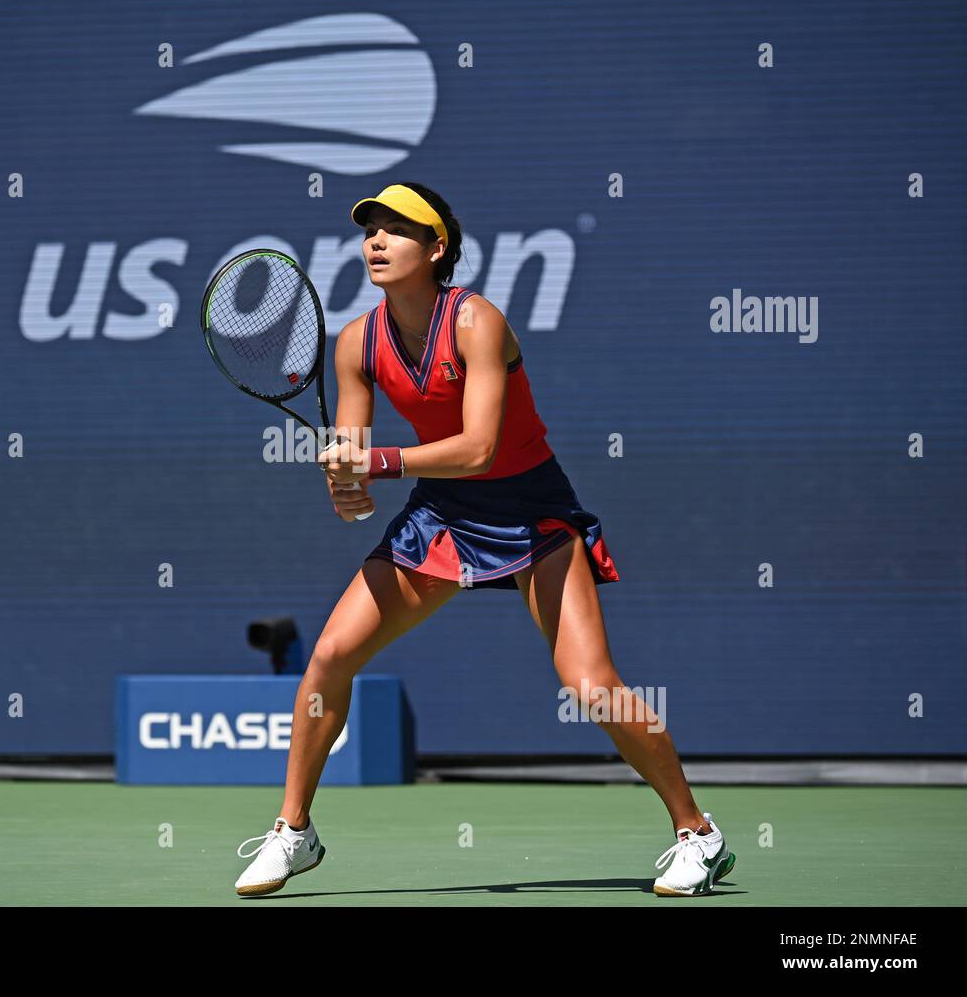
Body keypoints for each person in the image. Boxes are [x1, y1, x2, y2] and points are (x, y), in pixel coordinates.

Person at [233, 183, 734, 898]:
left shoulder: (476, 323)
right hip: (442, 514)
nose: (376, 240)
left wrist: (377, 462)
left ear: (437, 249)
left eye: (397, 230)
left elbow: (477, 447)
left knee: (591, 685)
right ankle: (294, 831)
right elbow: (353, 450)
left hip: (532, 512)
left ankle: (697, 832)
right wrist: (347, 485)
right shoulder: (356, 342)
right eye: (370, 229)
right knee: (330, 657)